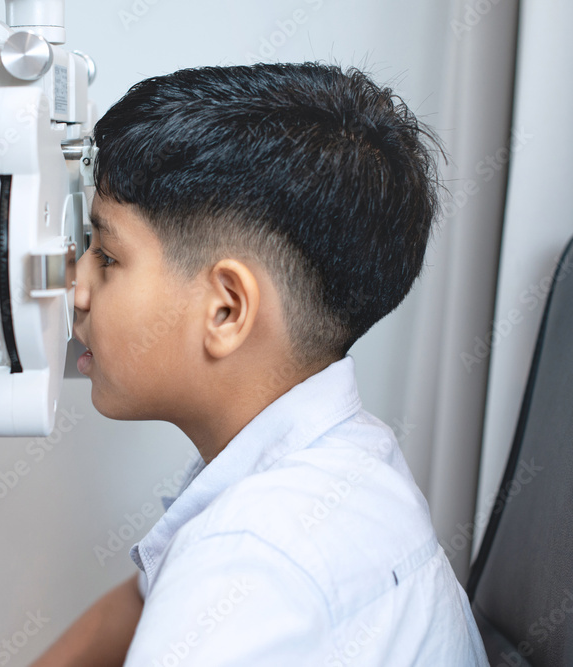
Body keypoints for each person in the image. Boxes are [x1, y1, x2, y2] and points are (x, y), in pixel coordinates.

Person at [31, 63, 490, 666]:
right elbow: (139, 603)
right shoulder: (347, 456)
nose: (77, 289)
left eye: (108, 256)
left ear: (226, 309)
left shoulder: (252, 562)